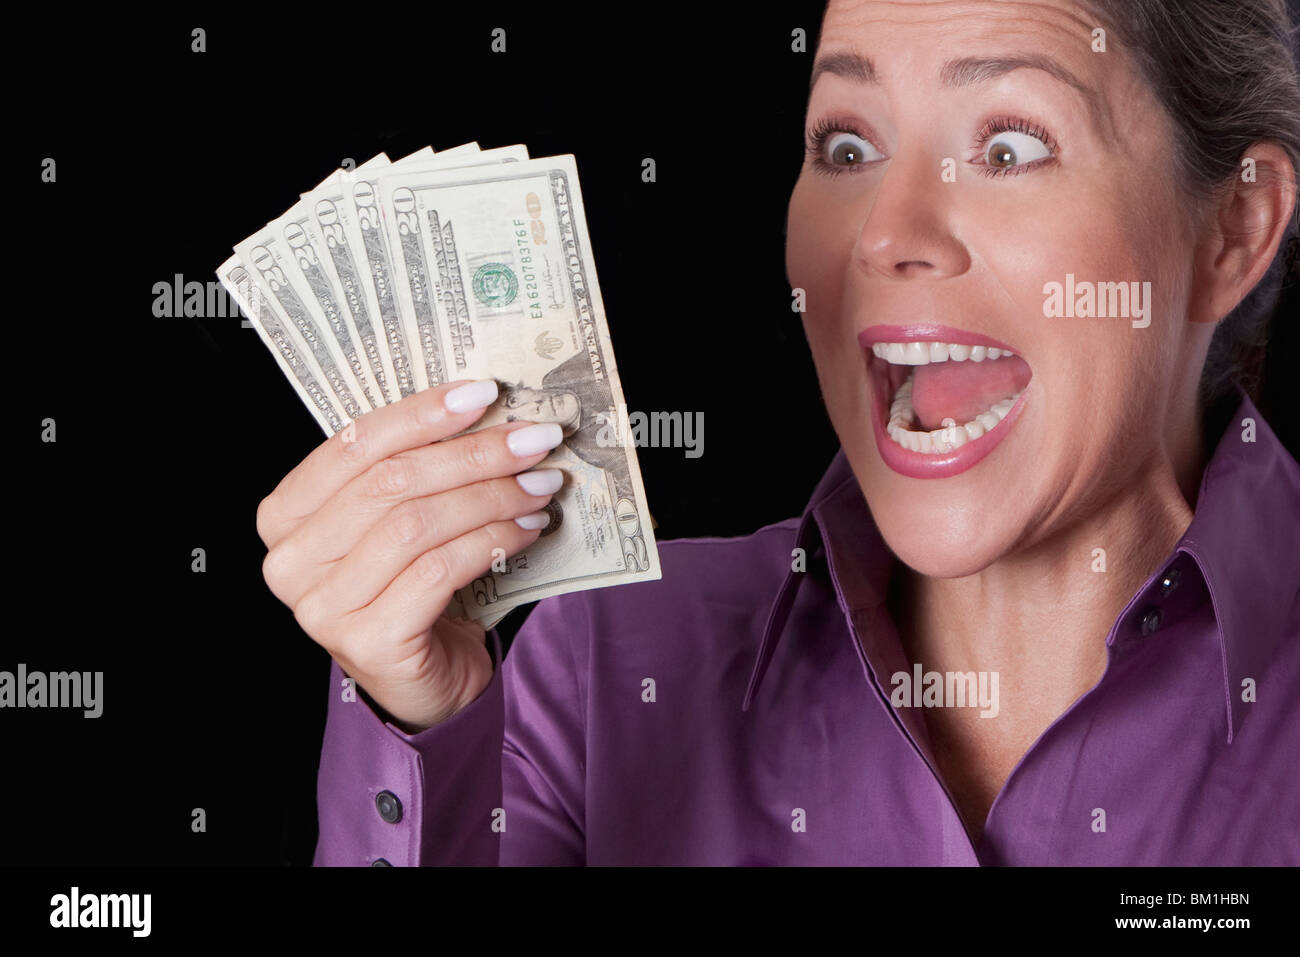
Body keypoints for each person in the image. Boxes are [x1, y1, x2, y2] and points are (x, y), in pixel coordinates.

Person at [257, 0, 1300, 865]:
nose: (886, 231)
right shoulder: (604, 665)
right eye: (846, 145)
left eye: (1009, 146)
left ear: (1232, 229)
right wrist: (421, 723)